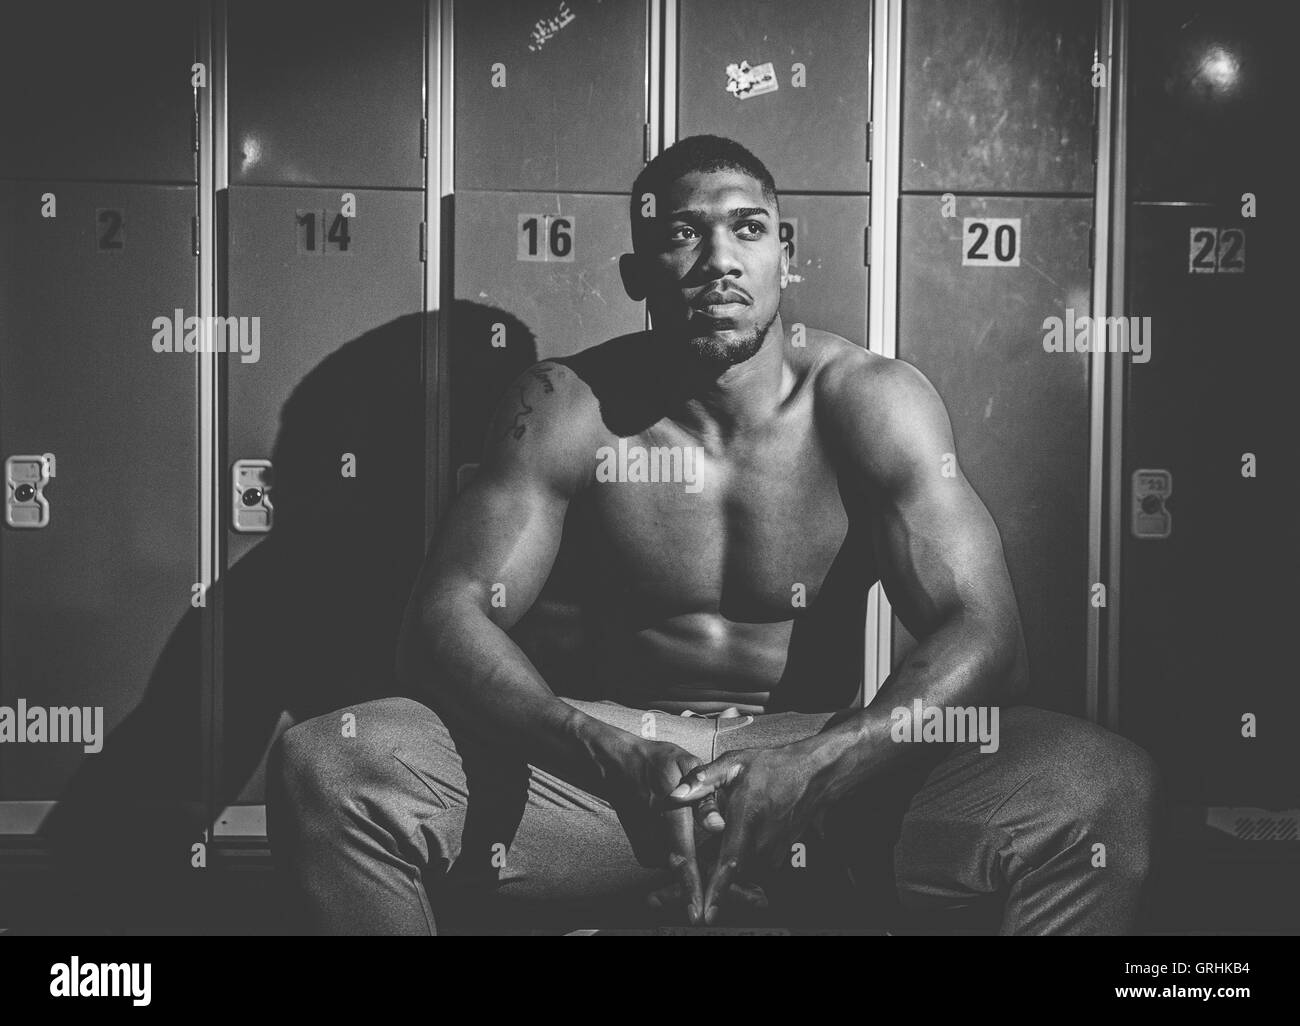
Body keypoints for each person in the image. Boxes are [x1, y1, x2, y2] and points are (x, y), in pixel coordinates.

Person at [269, 135, 1159, 935]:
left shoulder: (870, 401)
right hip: (606, 781)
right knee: (330, 767)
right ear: (636, 273)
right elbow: (442, 622)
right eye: (683, 235)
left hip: (815, 770)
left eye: (747, 230)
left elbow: (991, 638)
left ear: (786, 254)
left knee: (1095, 784)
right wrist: (606, 753)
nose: (718, 261)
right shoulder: (566, 407)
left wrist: (824, 763)